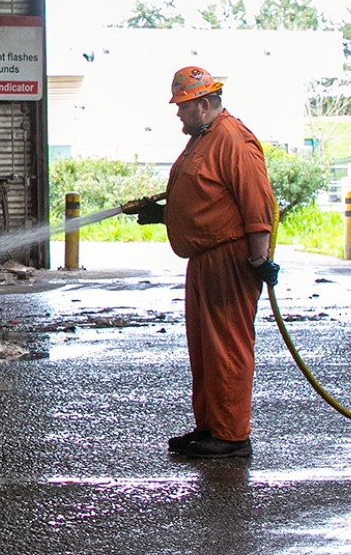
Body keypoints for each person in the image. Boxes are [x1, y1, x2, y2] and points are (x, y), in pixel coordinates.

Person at [126, 65, 281, 459]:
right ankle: (210, 426)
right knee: (205, 348)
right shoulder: (202, 138)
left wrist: (259, 259)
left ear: (206, 103)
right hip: (203, 259)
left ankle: (232, 435)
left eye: (183, 106)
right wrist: (163, 213)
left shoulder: (233, 140)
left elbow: (257, 203)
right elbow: (202, 195)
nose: (178, 113)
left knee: (226, 346)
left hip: (230, 257)